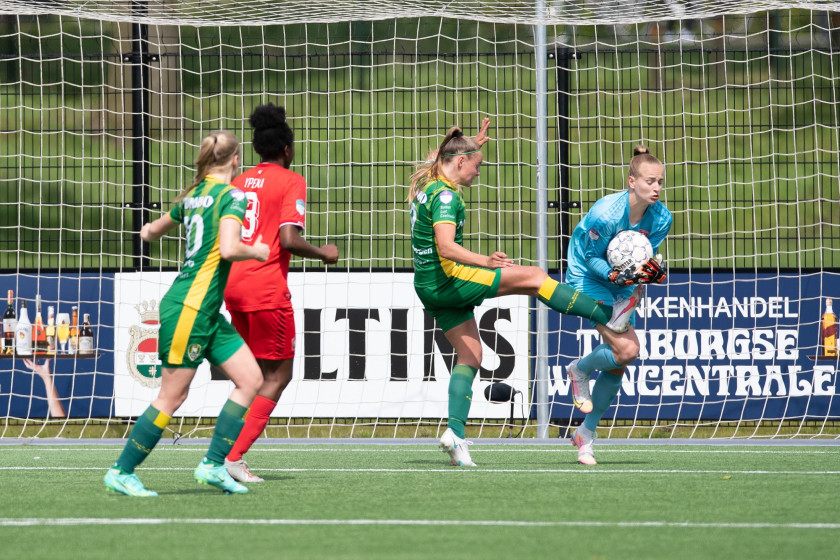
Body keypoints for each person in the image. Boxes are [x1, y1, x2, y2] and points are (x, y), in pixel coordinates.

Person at [409, 119, 640, 467]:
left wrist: (472, 144)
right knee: (534, 277)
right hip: (449, 279)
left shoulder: (428, 181)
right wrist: (486, 261)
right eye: (476, 165)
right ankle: (609, 314)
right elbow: (446, 246)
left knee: (471, 356)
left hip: (428, 286)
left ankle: (455, 435)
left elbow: (441, 155)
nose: (478, 172)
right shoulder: (446, 196)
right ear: (459, 162)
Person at [103, 130, 270, 497]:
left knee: (251, 380)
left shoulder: (193, 195)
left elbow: (153, 231)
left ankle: (213, 464)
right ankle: (122, 470)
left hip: (204, 312)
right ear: (236, 160)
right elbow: (229, 248)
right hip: (189, 311)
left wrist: (147, 231)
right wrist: (257, 251)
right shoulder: (232, 196)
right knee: (171, 397)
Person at [222, 104, 339, 483]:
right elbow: (288, 239)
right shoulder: (291, 180)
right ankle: (231, 457)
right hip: (266, 288)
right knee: (278, 375)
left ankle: (222, 453)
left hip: (233, 286)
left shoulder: (238, 181)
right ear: (287, 149)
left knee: (251, 376)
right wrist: (323, 253)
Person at [565, 145, 671, 465]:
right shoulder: (605, 214)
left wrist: (651, 273)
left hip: (620, 282)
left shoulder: (662, 218)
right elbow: (591, 257)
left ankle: (585, 433)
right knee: (627, 350)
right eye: (650, 181)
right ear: (631, 181)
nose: (656, 188)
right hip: (587, 275)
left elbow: (643, 258)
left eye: (660, 182)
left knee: (620, 361)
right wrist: (614, 275)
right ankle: (580, 369)